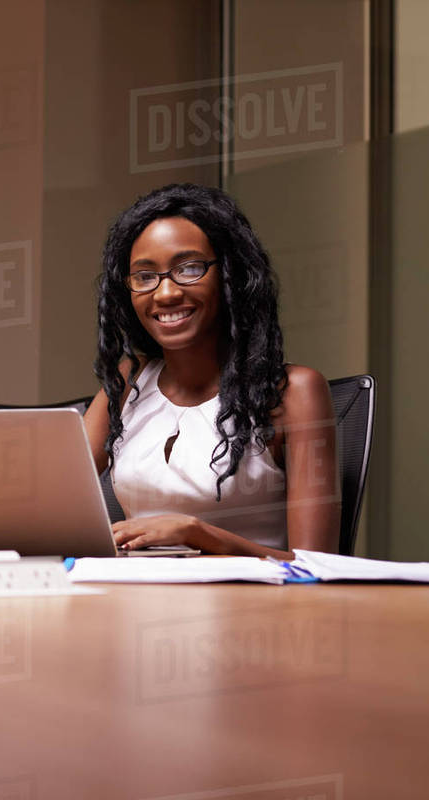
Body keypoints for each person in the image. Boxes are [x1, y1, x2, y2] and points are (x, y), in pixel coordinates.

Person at [82, 184, 339, 559]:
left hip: (252, 611)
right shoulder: (128, 383)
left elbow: (320, 567)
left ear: (230, 276)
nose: (165, 293)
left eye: (189, 268)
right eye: (144, 275)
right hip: (135, 602)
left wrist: (198, 534)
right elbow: (49, 503)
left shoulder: (294, 392)